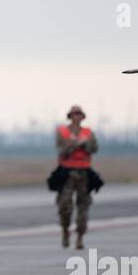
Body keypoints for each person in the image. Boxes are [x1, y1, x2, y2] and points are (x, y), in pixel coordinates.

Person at [54, 105, 98, 249]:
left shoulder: (88, 132)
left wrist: (85, 144)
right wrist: (74, 144)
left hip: (84, 173)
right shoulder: (62, 132)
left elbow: (94, 148)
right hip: (67, 173)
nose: (77, 117)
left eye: (79, 114)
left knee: (83, 206)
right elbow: (61, 150)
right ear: (70, 116)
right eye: (75, 114)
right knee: (65, 205)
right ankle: (65, 230)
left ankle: (79, 237)